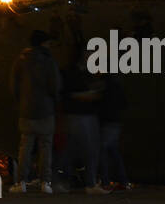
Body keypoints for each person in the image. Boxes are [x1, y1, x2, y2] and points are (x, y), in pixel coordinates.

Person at [9, 29, 61, 193]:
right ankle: (45, 182)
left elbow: (14, 86)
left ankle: (21, 182)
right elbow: (55, 85)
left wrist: (20, 102)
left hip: (26, 110)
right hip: (46, 110)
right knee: (46, 146)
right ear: (43, 43)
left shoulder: (21, 60)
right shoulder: (48, 60)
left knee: (25, 147)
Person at [61, 58, 107, 194]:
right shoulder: (79, 75)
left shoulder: (74, 73)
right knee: (88, 151)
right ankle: (89, 183)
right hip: (82, 115)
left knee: (73, 150)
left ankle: (65, 181)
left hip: (80, 115)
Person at [96, 68, 131, 190]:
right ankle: (123, 181)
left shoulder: (103, 85)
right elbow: (124, 103)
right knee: (114, 152)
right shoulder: (117, 84)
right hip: (115, 122)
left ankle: (105, 181)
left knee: (103, 151)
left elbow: (99, 102)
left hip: (106, 121)